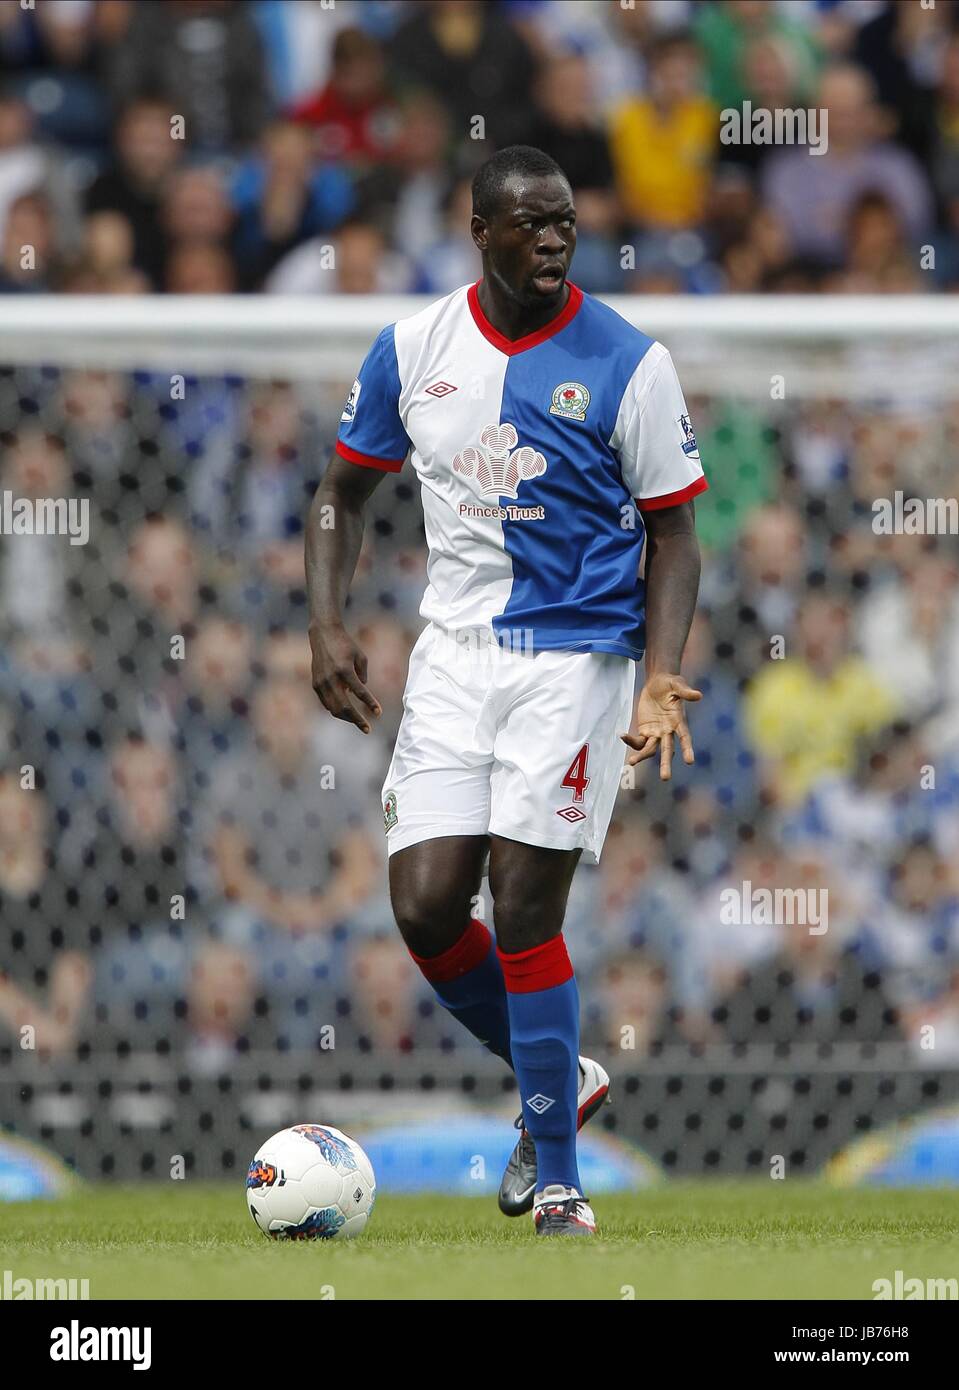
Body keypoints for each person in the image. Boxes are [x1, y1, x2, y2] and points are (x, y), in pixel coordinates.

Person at [305, 145, 707, 1237]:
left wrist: (658, 674)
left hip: (574, 656)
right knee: (426, 905)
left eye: (564, 225)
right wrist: (328, 622)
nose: (550, 242)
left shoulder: (627, 360)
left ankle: (563, 1184)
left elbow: (674, 532)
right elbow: (341, 491)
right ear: (478, 230)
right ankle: (557, 1077)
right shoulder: (412, 349)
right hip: (450, 656)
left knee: (523, 903)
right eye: (527, 224)